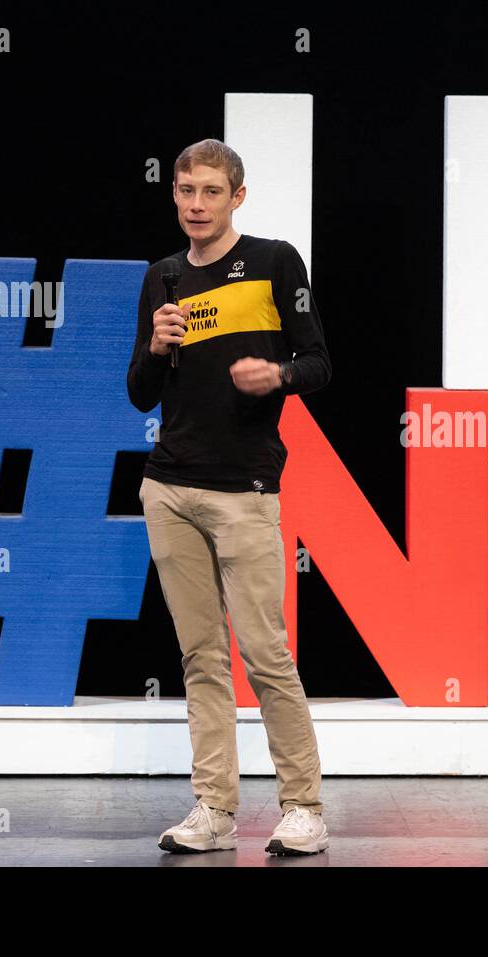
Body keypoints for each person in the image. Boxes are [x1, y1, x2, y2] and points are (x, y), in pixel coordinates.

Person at [126, 138, 331, 855]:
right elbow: (139, 393)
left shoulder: (275, 261)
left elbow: (319, 362)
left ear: (237, 196)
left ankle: (303, 807)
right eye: (186, 191)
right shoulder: (162, 277)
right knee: (201, 657)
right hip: (168, 487)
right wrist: (156, 346)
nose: (197, 204)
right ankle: (214, 809)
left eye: (211, 191)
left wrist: (278, 375)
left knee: (266, 654)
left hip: (244, 488)